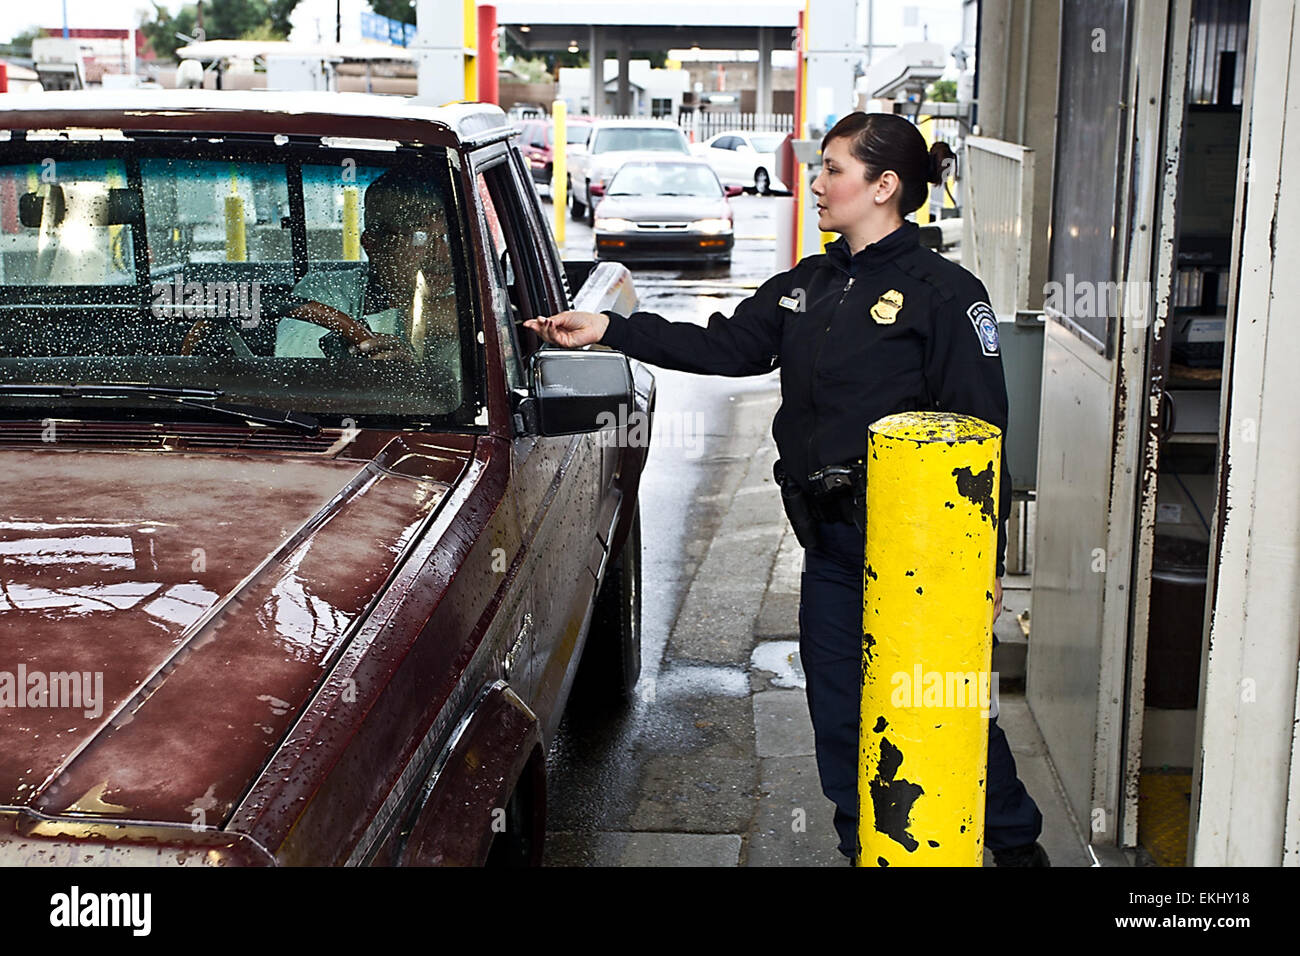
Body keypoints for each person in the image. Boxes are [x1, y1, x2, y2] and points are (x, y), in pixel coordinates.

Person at [524, 110, 1048, 867]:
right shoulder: (813, 282)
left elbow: (978, 435)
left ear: (885, 186)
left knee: (945, 714)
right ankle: (863, 849)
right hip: (832, 545)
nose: (818, 181)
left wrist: (984, 565)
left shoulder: (944, 293)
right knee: (838, 718)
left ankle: (1019, 851)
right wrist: (610, 328)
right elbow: (726, 346)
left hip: (920, 559)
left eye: (835, 168)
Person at [276, 168, 459, 366]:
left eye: (449, 237)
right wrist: (417, 319)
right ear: (373, 244)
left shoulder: (469, 302)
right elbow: (294, 359)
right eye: (419, 237)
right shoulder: (325, 289)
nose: (442, 255)